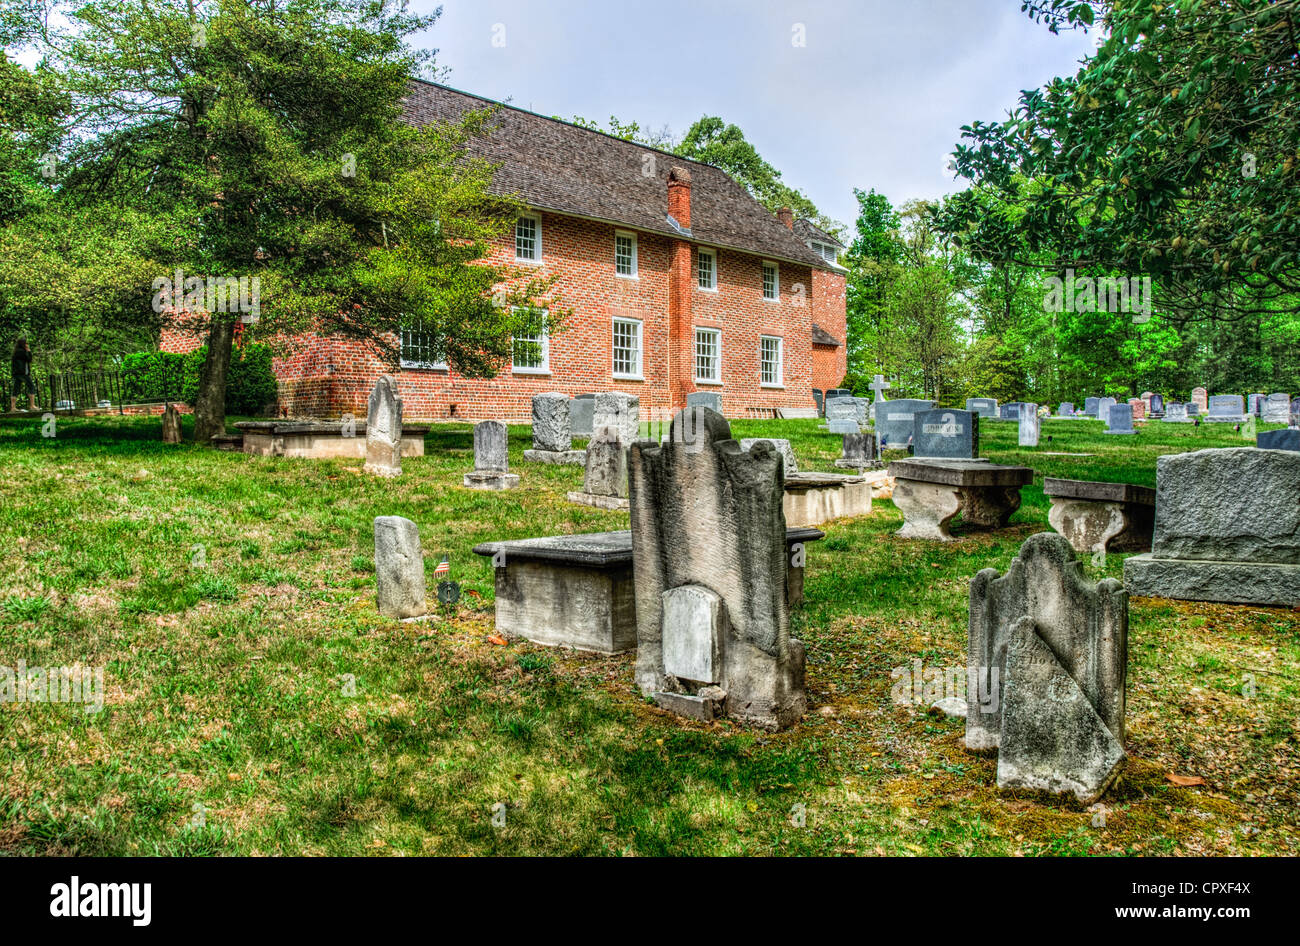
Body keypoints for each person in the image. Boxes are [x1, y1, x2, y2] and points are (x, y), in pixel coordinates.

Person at [10, 338, 37, 413]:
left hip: (16, 373)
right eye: (26, 343)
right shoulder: (22, 351)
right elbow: (29, 359)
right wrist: (28, 350)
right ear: (23, 344)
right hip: (23, 373)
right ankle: (32, 406)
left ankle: (13, 407)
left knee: (16, 389)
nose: (27, 345)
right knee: (31, 387)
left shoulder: (16, 351)